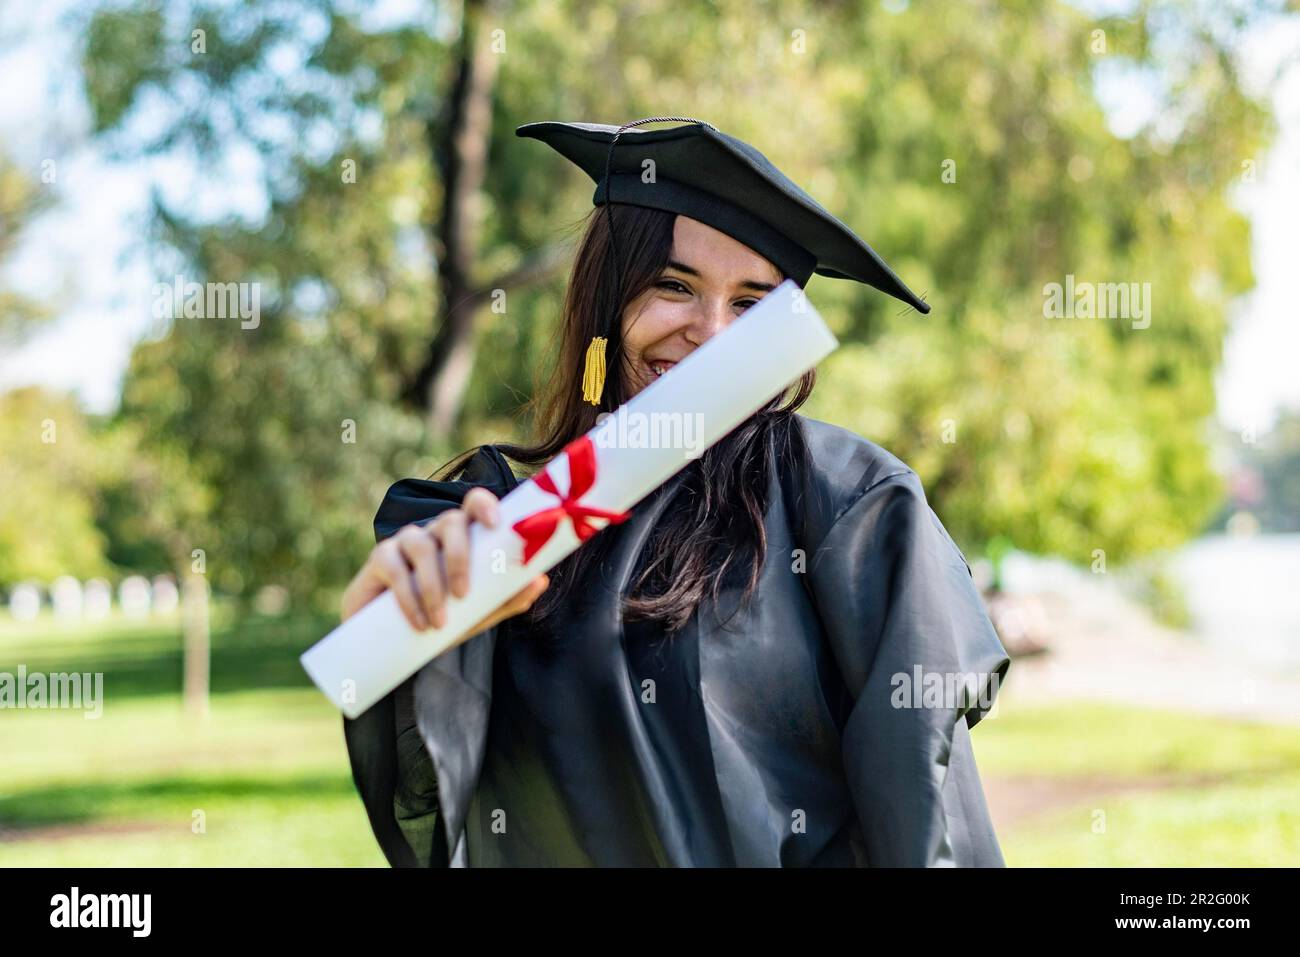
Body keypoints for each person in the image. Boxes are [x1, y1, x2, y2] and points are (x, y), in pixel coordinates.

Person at [338, 117, 1011, 867]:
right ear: (605, 298)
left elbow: (925, 805)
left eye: (752, 304)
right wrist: (398, 631)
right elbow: (430, 791)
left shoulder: (848, 505)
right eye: (674, 285)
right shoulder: (497, 517)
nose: (711, 333)